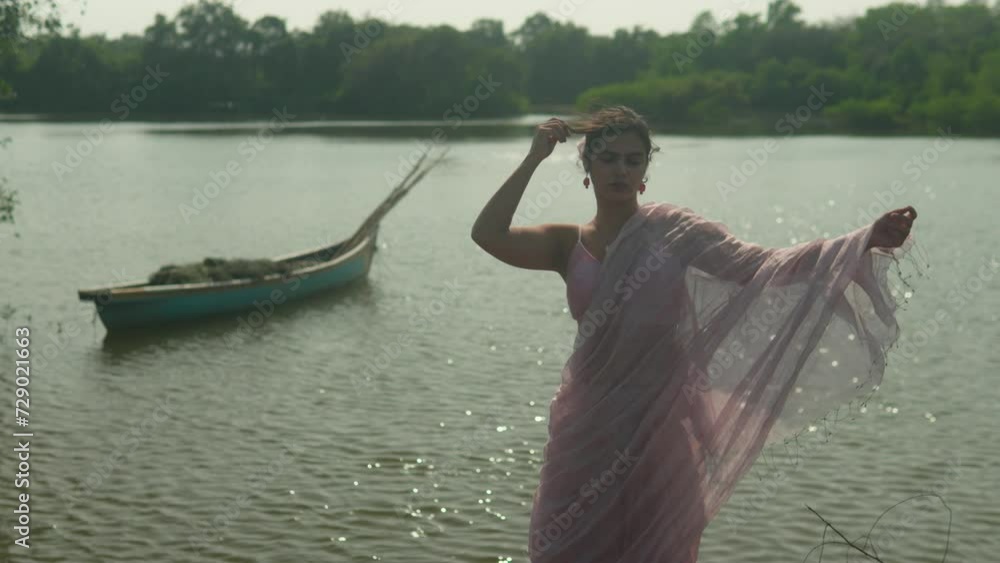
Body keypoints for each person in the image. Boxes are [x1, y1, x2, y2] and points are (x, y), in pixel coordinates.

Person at [471, 106, 918, 562]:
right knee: (564, 547)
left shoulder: (673, 232)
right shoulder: (567, 243)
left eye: (633, 159)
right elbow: (487, 233)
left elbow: (762, 267)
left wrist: (862, 240)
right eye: (608, 158)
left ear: (646, 169)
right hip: (588, 429)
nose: (621, 169)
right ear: (588, 167)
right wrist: (533, 159)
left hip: (662, 427)